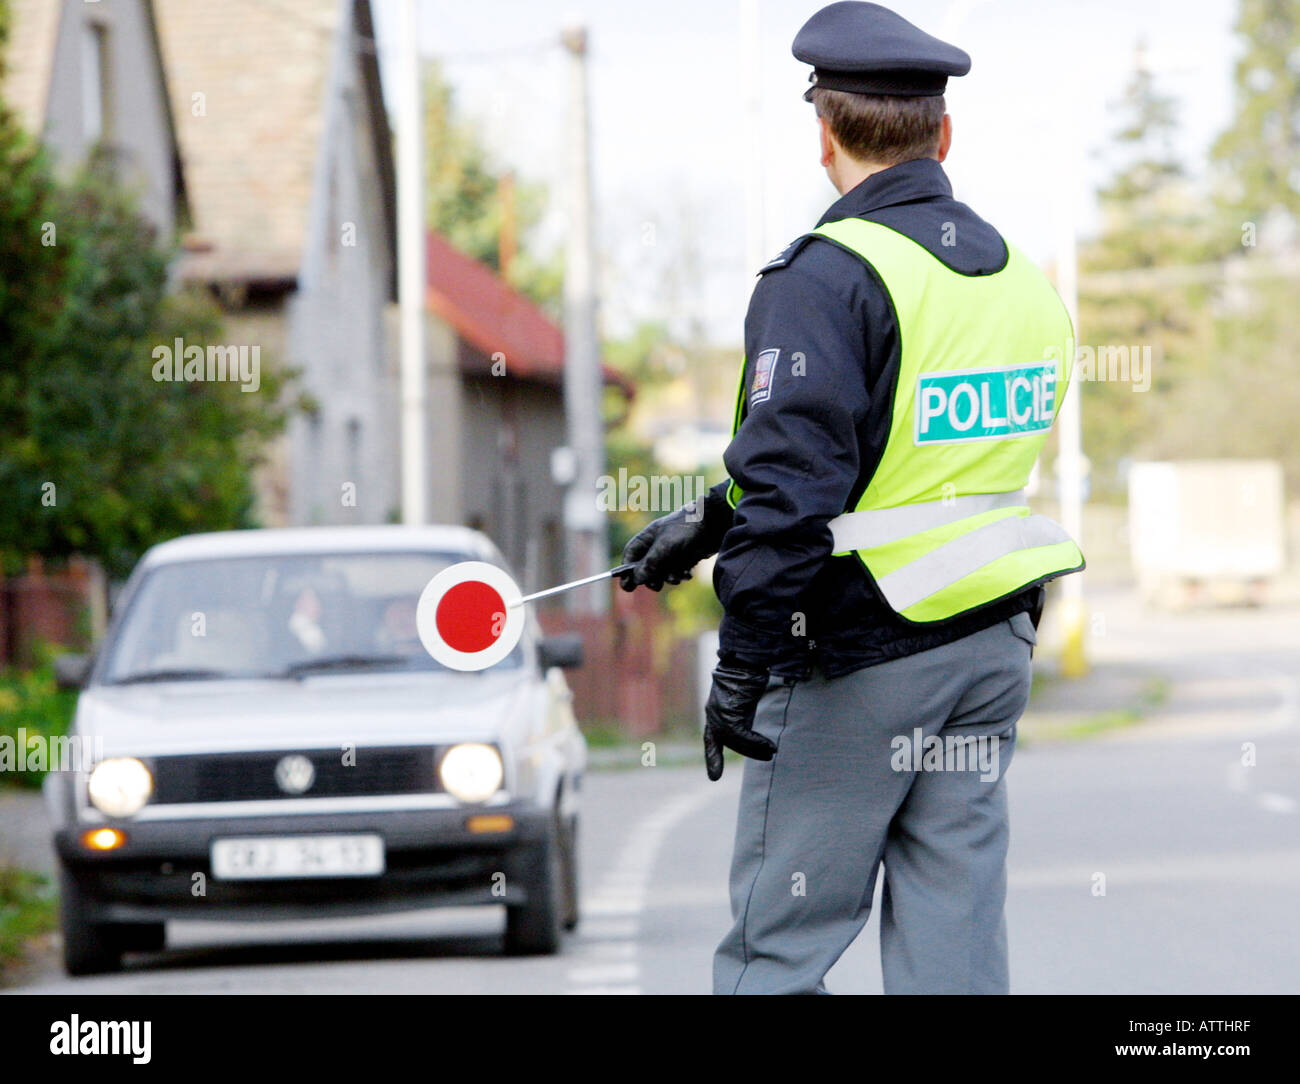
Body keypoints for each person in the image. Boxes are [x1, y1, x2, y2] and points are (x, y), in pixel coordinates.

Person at [619, 0, 1084, 995]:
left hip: (858, 652)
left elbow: (801, 483)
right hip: (987, 648)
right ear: (942, 133)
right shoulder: (1020, 282)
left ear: (821, 132)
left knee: (777, 950)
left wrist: (742, 660)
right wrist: (712, 516)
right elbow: (905, 453)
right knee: (951, 947)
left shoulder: (825, 277)